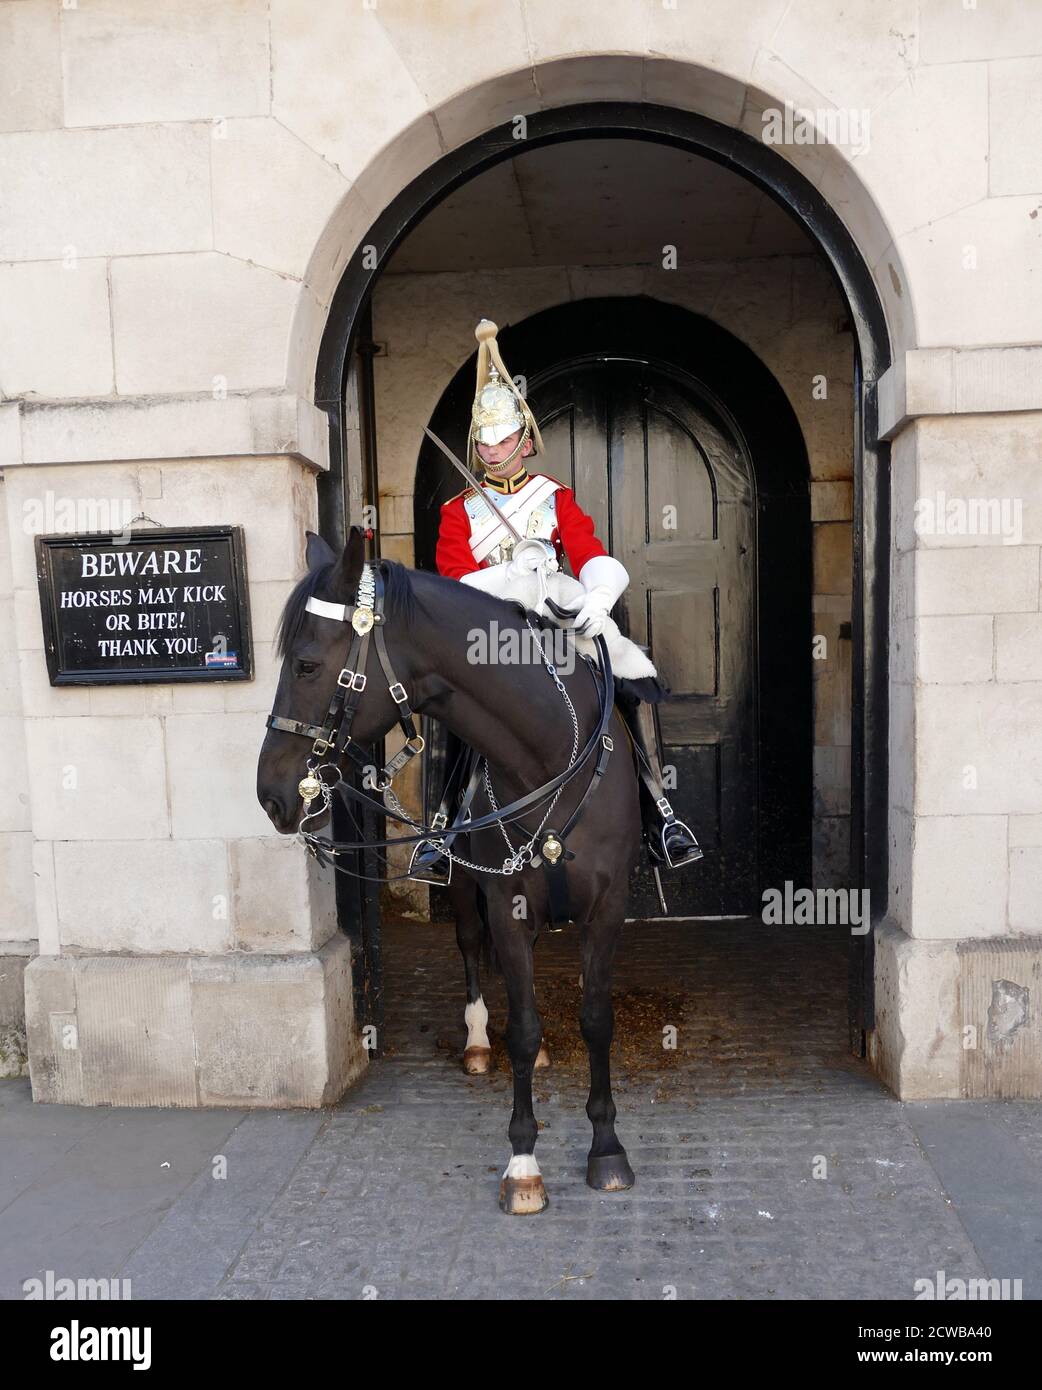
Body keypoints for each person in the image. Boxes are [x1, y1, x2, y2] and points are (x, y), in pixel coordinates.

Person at [413, 318, 701, 883]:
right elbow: (453, 577)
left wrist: (598, 595)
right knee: (453, 699)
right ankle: (441, 828)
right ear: (475, 445)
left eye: (504, 440)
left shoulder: (554, 497)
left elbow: (590, 550)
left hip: (557, 610)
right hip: (487, 621)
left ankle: (660, 813)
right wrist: (505, 579)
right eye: (485, 442)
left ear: (525, 440)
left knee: (628, 673)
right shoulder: (457, 510)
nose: (495, 452)